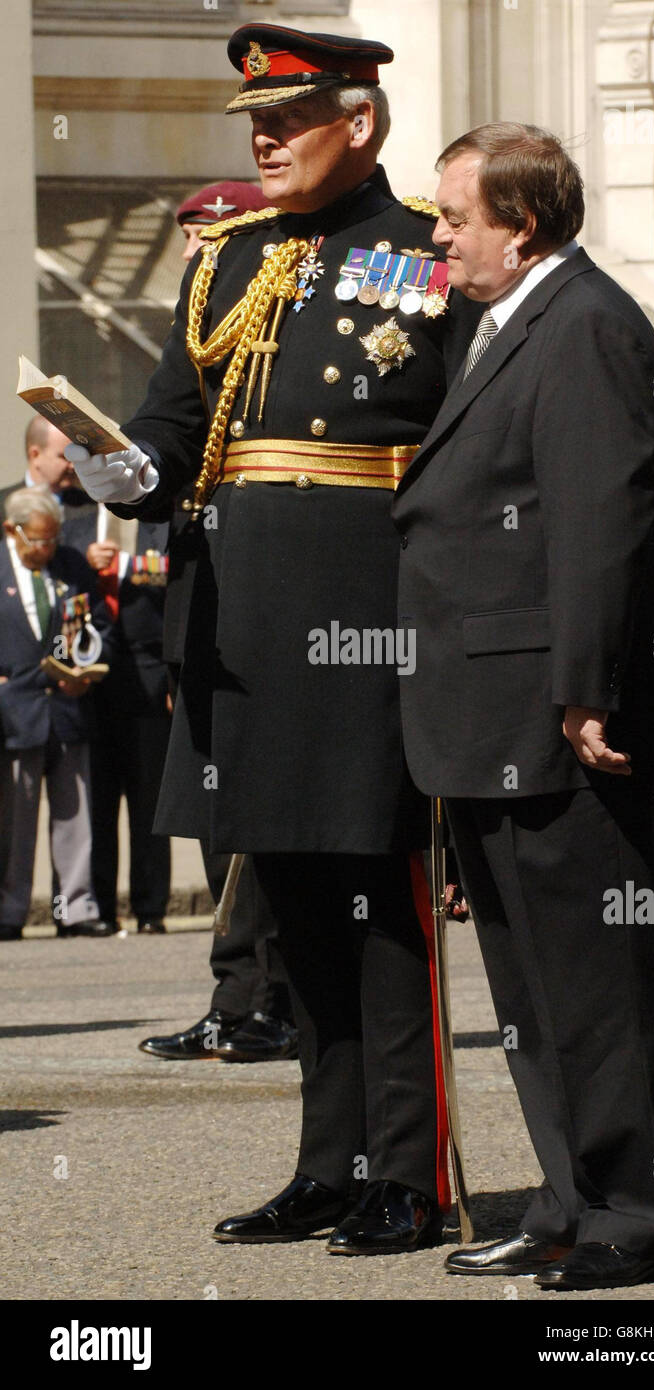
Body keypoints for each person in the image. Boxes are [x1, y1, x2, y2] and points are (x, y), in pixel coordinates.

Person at [65, 23, 478, 1254]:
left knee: (385, 904)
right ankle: (329, 1164)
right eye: (255, 118)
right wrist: (126, 466)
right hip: (240, 617)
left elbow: (463, 450)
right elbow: (172, 427)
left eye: (289, 118)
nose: (263, 136)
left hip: (365, 615)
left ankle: (411, 1172)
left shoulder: (426, 253)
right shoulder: (229, 258)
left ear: (358, 122)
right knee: (297, 909)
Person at [393, 123, 654, 1289]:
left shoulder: (589, 328)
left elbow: (597, 525)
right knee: (528, 988)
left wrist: (585, 689)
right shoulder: (512, 322)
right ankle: (567, 1199)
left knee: (594, 985)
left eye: (455, 218)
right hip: (491, 713)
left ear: (520, 226)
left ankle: (628, 1217)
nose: (436, 236)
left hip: (562, 719)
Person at [139, 176, 298, 1058]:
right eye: (193, 239)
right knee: (215, 820)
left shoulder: (268, 340)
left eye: (215, 236)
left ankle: (268, 998)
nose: (200, 252)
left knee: (256, 831)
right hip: (201, 606)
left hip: (265, 605)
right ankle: (236, 995)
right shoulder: (197, 340)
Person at [0, 487, 113, 940]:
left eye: (52, 540)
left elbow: (98, 624)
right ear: (13, 531)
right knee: (15, 822)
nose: (47, 549)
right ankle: (10, 912)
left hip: (67, 707)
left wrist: (84, 667)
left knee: (74, 816)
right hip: (15, 712)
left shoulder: (69, 565)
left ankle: (75, 909)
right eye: (39, 542)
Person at [85, 514, 172, 935]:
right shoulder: (77, 523)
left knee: (149, 801)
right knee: (99, 805)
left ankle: (151, 908)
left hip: (149, 677)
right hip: (90, 683)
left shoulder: (158, 525)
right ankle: (99, 908)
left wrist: (127, 566)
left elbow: (175, 591)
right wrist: (88, 563)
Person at [0, 417, 97, 553]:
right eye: (65, 457)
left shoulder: (91, 507)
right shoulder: (3, 506)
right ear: (35, 455)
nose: (73, 465)